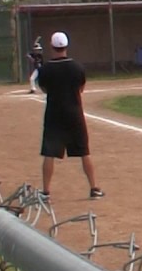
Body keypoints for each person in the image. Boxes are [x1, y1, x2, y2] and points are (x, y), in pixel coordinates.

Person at [37, 32, 104, 202]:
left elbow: (44, 89)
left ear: (52, 47)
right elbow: (81, 88)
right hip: (74, 114)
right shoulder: (77, 67)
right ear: (66, 46)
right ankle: (94, 188)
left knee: (49, 153)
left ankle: (46, 192)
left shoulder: (45, 69)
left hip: (54, 114)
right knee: (84, 151)